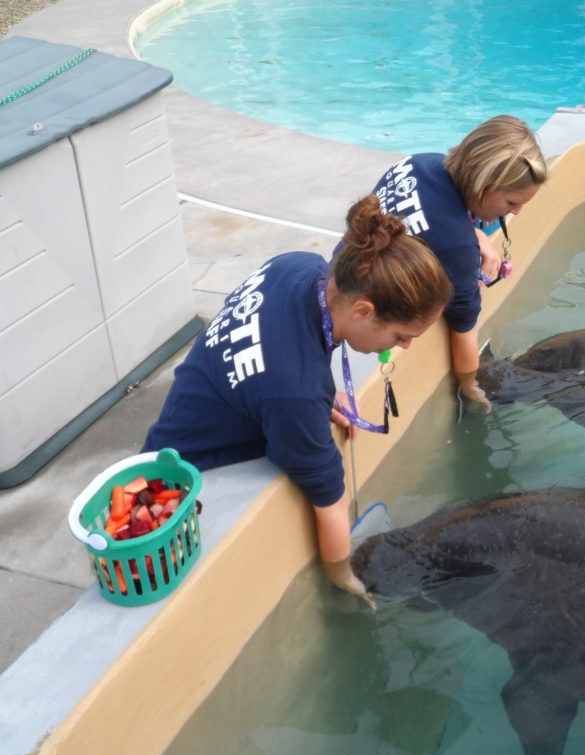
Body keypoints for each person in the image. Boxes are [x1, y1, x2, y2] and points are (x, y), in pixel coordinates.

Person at [142, 195, 452, 601]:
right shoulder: (295, 393)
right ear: (362, 311)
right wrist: (346, 581)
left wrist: (318, 392)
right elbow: (332, 503)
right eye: (401, 336)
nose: (405, 347)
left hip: (179, 424)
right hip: (180, 483)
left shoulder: (299, 268)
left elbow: (274, 353)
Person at [372, 114, 548, 412]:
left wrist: (474, 233)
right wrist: (471, 386)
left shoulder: (422, 162)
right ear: (482, 185)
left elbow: (430, 216)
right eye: (511, 202)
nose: (515, 211)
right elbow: (464, 326)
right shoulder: (456, 249)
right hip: (381, 295)